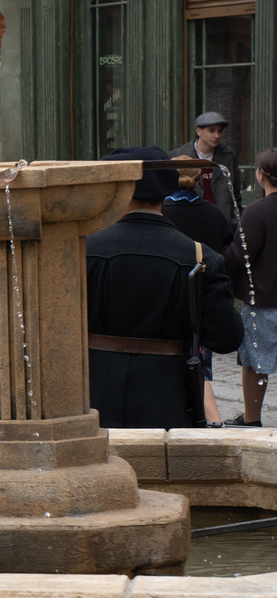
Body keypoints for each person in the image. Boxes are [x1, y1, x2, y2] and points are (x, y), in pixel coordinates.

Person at [86, 146, 243, 430]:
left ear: (116, 190)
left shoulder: (81, 251)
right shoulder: (201, 257)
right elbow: (227, 337)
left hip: (90, 401)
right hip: (168, 403)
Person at [164, 167, 234, 425]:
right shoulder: (212, 213)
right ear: (198, 178)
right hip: (200, 303)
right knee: (199, 371)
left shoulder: (162, 212)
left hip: (166, 303)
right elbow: (226, 252)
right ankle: (212, 424)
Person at [222, 148, 277, 428]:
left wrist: (215, 254)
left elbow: (238, 256)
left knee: (255, 362)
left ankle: (252, 419)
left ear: (260, 175)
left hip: (262, 300)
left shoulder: (256, 211)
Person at [169, 111, 242, 235]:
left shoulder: (228, 155)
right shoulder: (179, 155)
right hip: (190, 224)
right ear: (199, 131)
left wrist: (235, 222)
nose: (217, 136)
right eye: (211, 131)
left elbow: (235, 193)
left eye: (220, 131)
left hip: (222, 225)